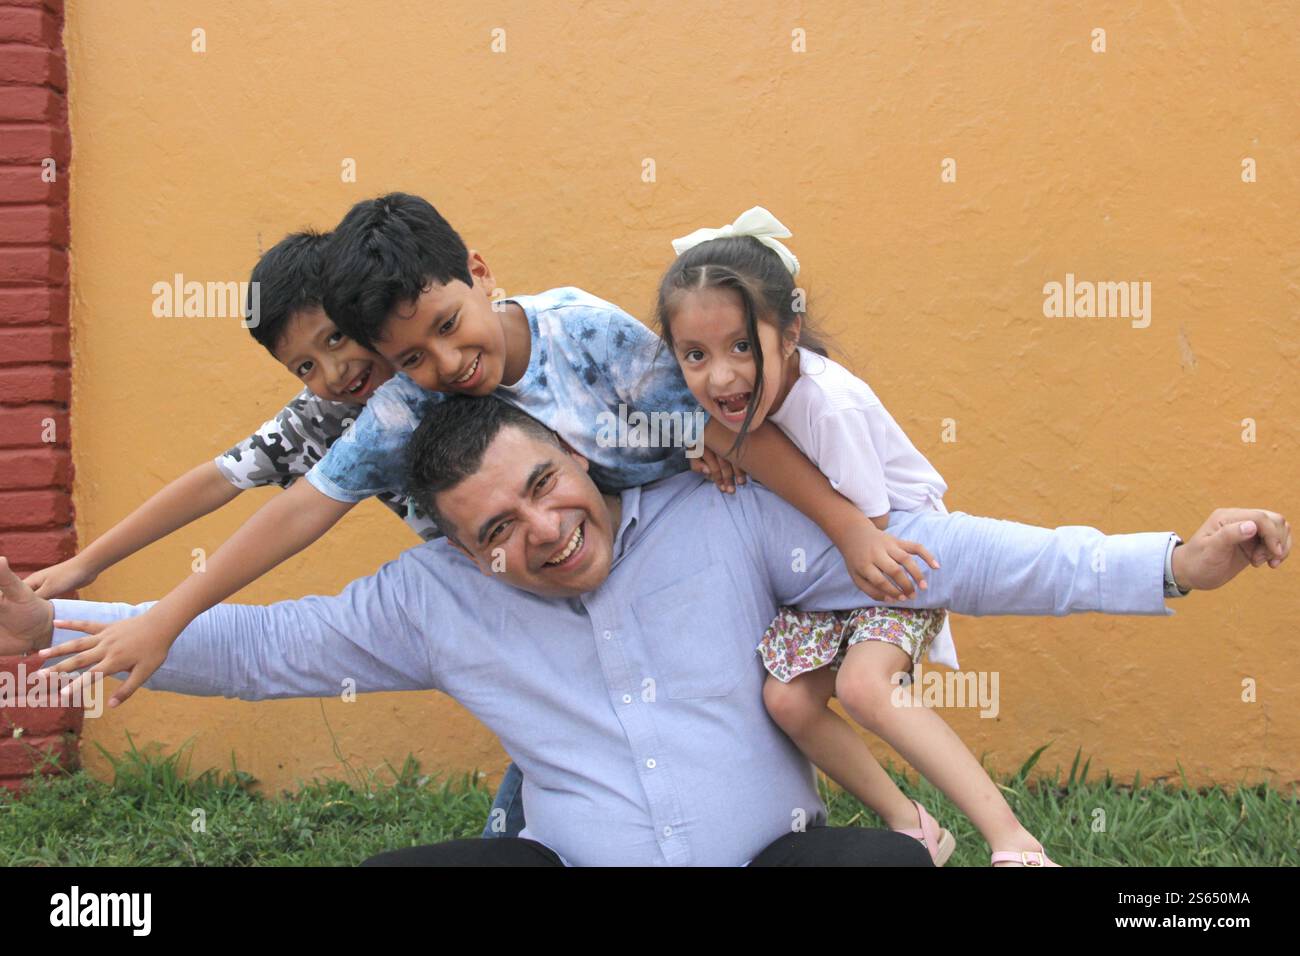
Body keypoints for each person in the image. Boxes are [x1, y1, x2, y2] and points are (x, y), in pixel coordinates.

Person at [4, 397, 1289, 866]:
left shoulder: (724, 514)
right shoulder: (430, 600)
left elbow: (960, 554)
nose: (540, 532)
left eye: (544, 489)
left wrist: (1169, 561)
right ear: (452, 545)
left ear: (579, 454)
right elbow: (254, 646)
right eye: (494, 529)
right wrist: (45, 622)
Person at [655, 206, 1037, 863]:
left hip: (888, 560)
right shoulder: (711, 406)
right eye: (696, 354)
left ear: (790, 332)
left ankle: (1012, 838)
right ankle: (913, 824)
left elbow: (868, 529)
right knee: (788, 701)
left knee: (865, 687)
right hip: (823, 574)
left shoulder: (830, 406)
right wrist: (710, 449)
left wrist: (740, 463)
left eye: (741, 346)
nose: (720, 376)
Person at [22, 230, 440, 602]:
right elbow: (217, 479)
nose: (334, 372)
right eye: (305, 367)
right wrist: (85, 565)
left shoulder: (447, 358)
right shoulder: (321, 417)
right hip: (474, 577)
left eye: (335, 337)